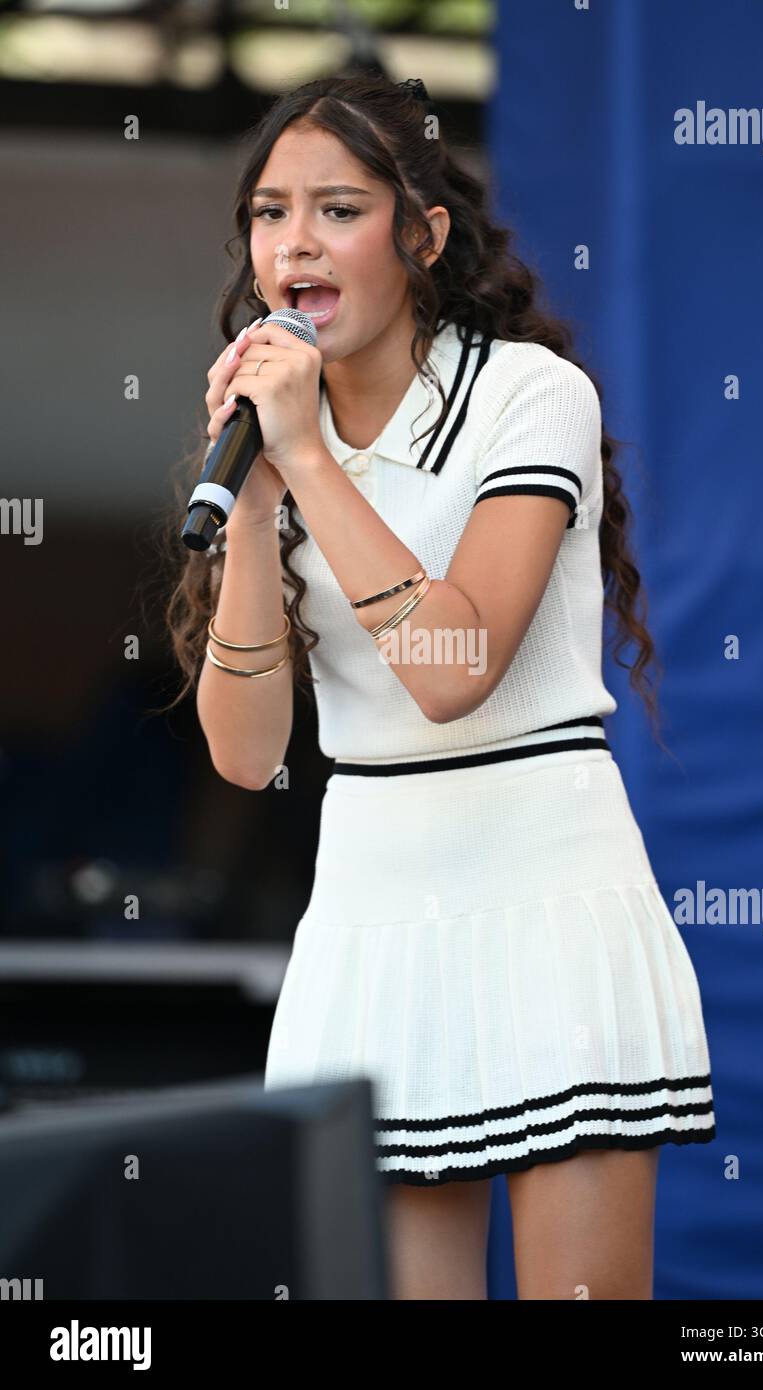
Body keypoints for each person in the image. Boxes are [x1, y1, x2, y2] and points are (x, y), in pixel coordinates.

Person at [165, 73, 716, 1300]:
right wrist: (257, 511)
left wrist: (307, 457)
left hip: (542, 897)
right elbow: (248, 757)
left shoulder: (528, 395)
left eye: (337, 208)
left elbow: (452, 671)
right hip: (372, 918)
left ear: (421, 235)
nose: (293, 242)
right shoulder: (275, 446)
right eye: (267, 212)